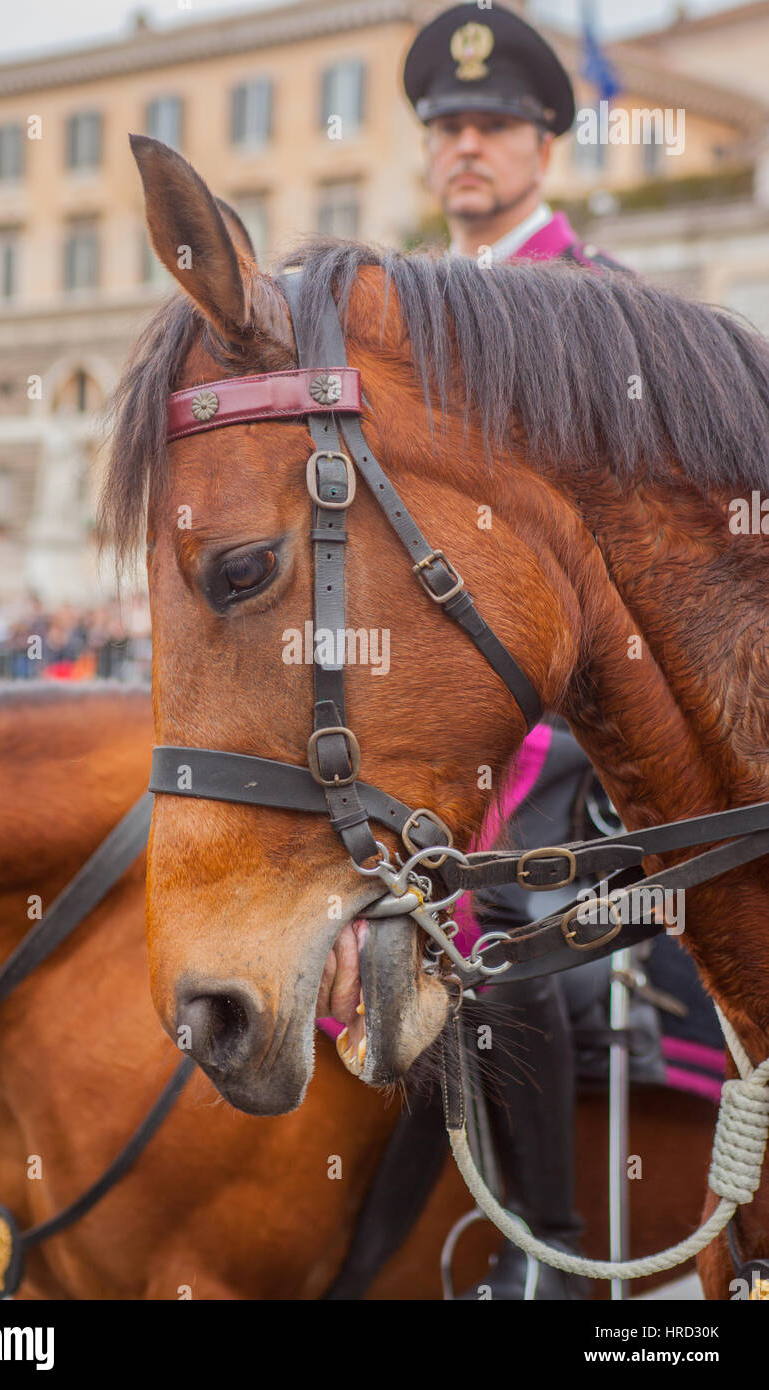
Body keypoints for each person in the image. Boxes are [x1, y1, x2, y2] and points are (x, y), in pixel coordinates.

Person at [403, 2, 631, 1300]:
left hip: (561, 698)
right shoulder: (393, 308)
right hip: (409, 686)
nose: (466, 147)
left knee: (492, 918)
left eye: (491, 127)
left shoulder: (588, 308)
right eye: (447, 128)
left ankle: (543, 1254)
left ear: (544, 147)